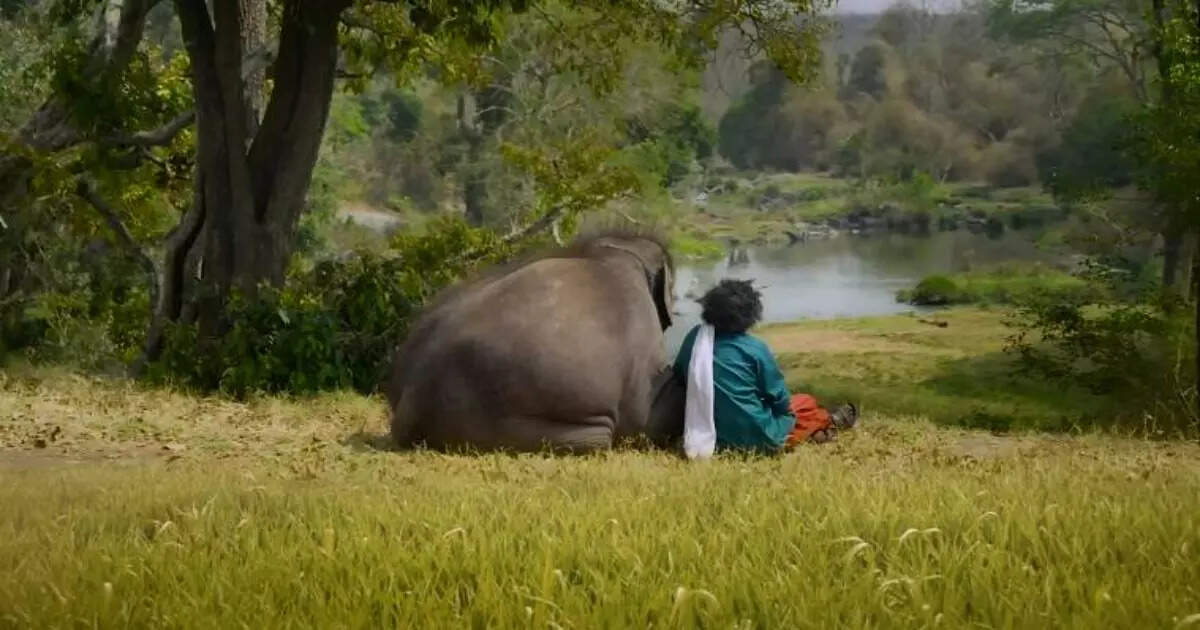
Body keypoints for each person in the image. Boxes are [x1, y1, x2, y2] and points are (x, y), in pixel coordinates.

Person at [672, 278, 857, 454]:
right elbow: (781, 401)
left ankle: (812, 427)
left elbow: (679, 376)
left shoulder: (695, 338)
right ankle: (822, 423)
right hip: (756, 435)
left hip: (704, 429)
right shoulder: (754, 348)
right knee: (804, 403)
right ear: (751, 315)